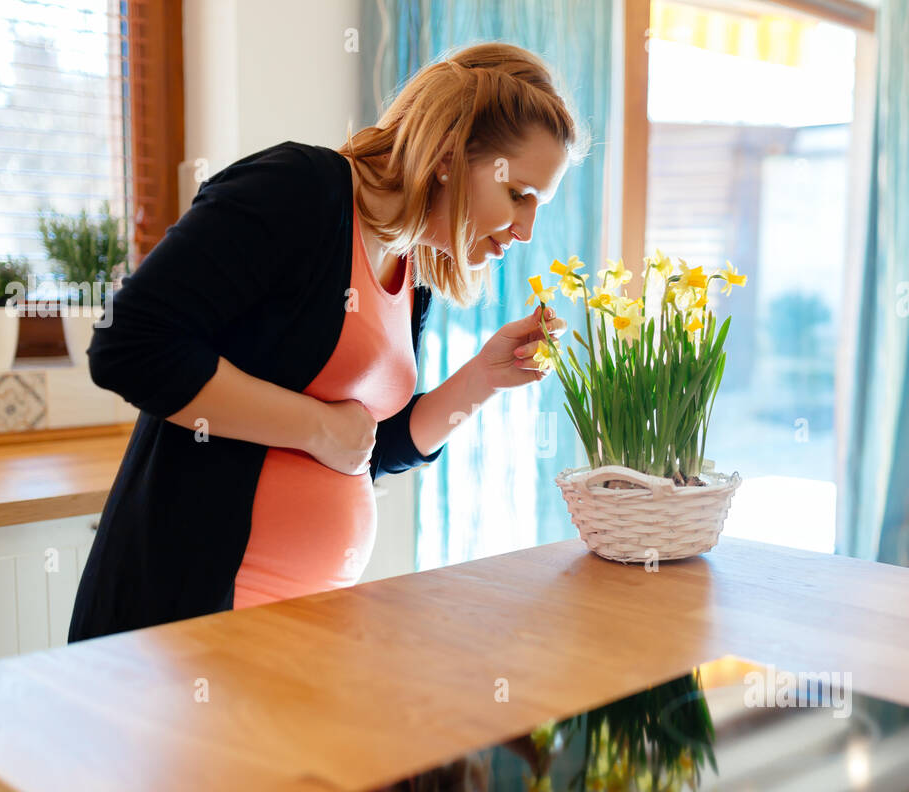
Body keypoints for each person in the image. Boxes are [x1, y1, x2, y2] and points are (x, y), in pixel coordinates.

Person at [67, 41, 589, 643]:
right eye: (519, 194)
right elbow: (128, 344)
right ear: (448, 156)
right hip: (192, 620)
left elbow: (365, 446)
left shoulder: (412, 263)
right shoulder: (300, 191)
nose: (525, 229)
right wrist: (315, 426)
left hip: (306, 627)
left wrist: (481, 379)